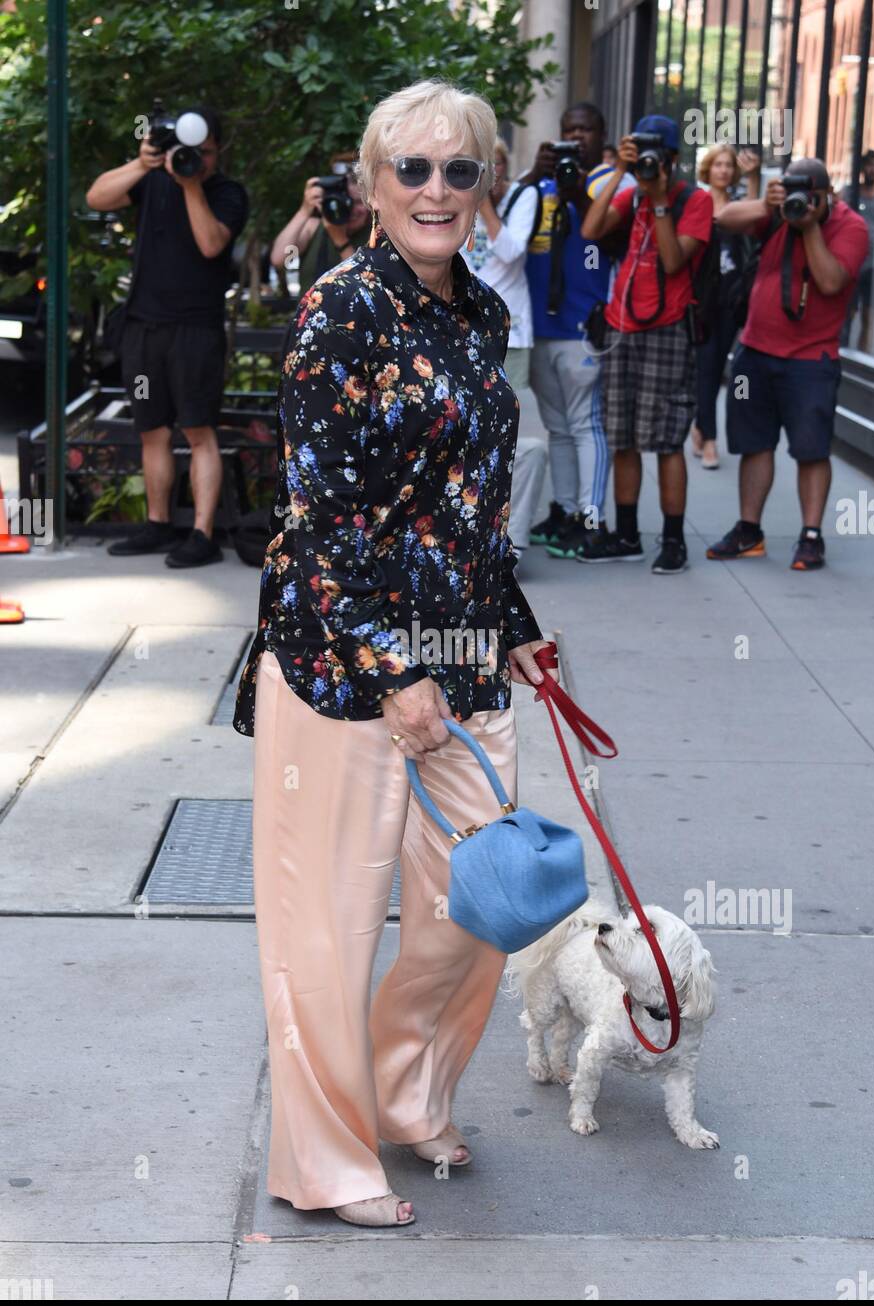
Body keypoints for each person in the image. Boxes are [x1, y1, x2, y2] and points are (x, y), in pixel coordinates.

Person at [232, 79, 555, 1229]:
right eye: (409, 169)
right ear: (370, 186)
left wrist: (511, 624)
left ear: (485, 187)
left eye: (457, 170)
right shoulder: (341, 311)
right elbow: (322, 513)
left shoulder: (480, 313)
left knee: (474, 911)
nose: (433, 190)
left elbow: (464, 503)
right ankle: (321, 1160)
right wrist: (389, 665)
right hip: (339, 664)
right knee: (323, 927)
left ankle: (410, 1094)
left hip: (465, 652)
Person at [86, 106, 249, 566]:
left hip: (196, 330)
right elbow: (96, 198)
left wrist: (191, 182)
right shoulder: (151, 180)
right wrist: (143, 163)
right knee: (151, 431)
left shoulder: (227, 193)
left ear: (217, 152)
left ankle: (202, 534)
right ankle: (157, 525)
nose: (198, 158)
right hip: (143, 325)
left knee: (199, 430)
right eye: (190, 152)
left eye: (207, 153)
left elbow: (211, 244)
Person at [706, 157, 869, 571]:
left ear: (827, 195)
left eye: (808, 195)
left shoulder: (851, 226)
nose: (800, 202)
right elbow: (723, 216)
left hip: (812, 359)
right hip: (756, 352)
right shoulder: (774, 215)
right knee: (754, 443)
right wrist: (768, 204)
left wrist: (809, 225)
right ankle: (749, 530)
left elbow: (831, 281)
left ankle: (811, 536)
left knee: (811, 449)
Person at [581, 114, 714, 573]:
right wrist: (619, 170)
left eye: (655, 156)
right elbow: (590, 231)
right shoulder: (631, 190)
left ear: (674, 160)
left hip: (667, 330)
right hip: (621, 329)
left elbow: (675, 261)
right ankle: (626, 535)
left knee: (667, 441)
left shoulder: (694, 200)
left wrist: (658, 201)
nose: (650, 164)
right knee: (623, 439)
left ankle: (673, 541)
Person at [522, 103, 632, 561]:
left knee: (587, 425)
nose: (577, 136)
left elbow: (609, 238)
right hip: (539, 325)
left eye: (586, 129)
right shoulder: (543, 184)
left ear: (601, 134)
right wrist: (534, 175)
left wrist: (574, 192)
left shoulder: (611, 183)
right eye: (569, 129)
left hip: (583, 324)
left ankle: (593, 518)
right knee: (558, 428)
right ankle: (566, 512)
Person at [462, 137, 545, 558]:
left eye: (491, 167)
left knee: (504, 435)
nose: (483, 176)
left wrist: (485, 205)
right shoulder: (453, 200)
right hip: (463, 333)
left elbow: (511, 252)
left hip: (510, 336)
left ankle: (505, 534)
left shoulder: (522, 197)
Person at [690, 144, 761, 469]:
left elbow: (756, 219)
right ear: (708, 168)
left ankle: (701, 427)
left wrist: (754, 179)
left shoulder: (736, 205)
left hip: (732, 298)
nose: (722, 170)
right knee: (707, 367)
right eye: (717, 164)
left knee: (717, 366)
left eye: (727, 165)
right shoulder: (697, 202)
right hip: (703, 298)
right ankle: (710, 439)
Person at [270, 154, 371, 287]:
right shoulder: (313, 228)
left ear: (371, 203)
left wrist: (340, 240)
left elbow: (367, 286)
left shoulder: (377, 236)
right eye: (345, 200)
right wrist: (304, 211)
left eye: (358, 202)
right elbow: (280, 260)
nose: (350, 208)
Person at [838, 150, 874, 355]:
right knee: (848, 312)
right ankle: (843, 353)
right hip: (853, 262)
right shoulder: (850, 191)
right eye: (868, 164)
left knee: (868, 317)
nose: (871, 169)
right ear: (862, 168)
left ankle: (863, 359)